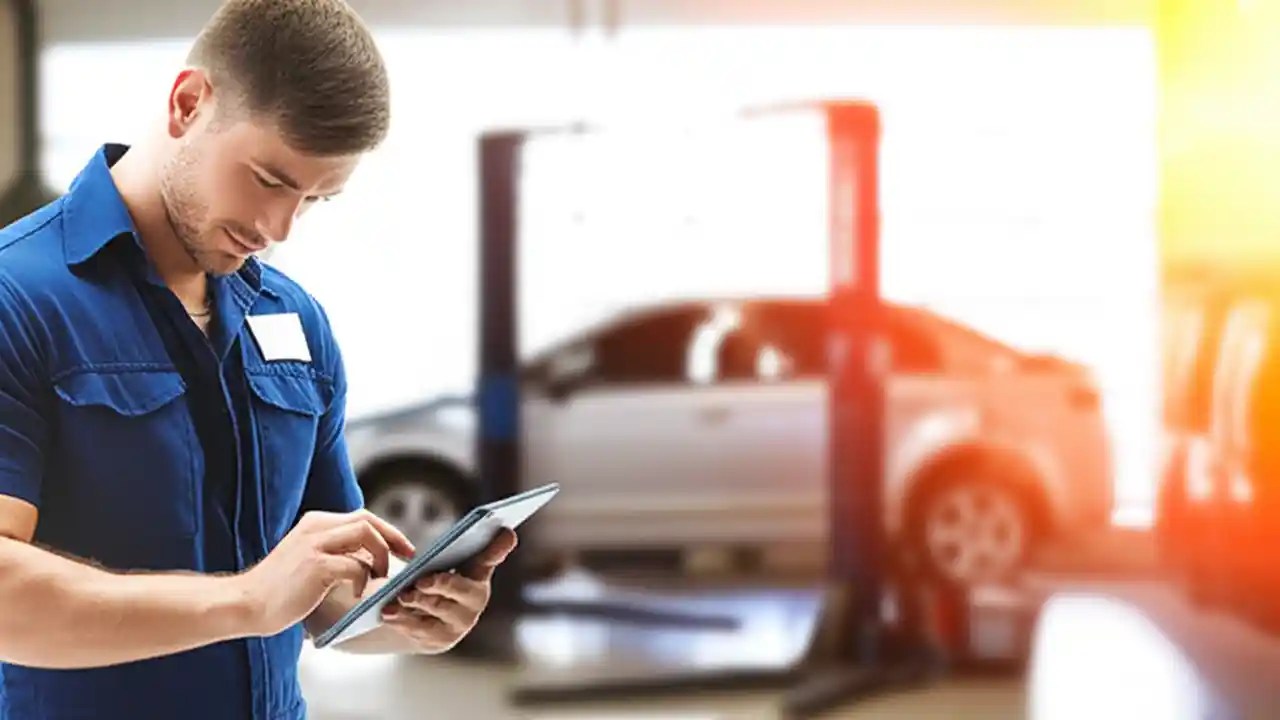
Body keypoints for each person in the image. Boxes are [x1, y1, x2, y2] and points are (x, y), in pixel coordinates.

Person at [0, 1, 517, 718]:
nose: (278, 229)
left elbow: (321, 589)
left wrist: (407, 615)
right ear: (188, 104)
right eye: (270, 180)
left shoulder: (295, 319)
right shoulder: (17, 297)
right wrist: (246, 601)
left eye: (315, 199)